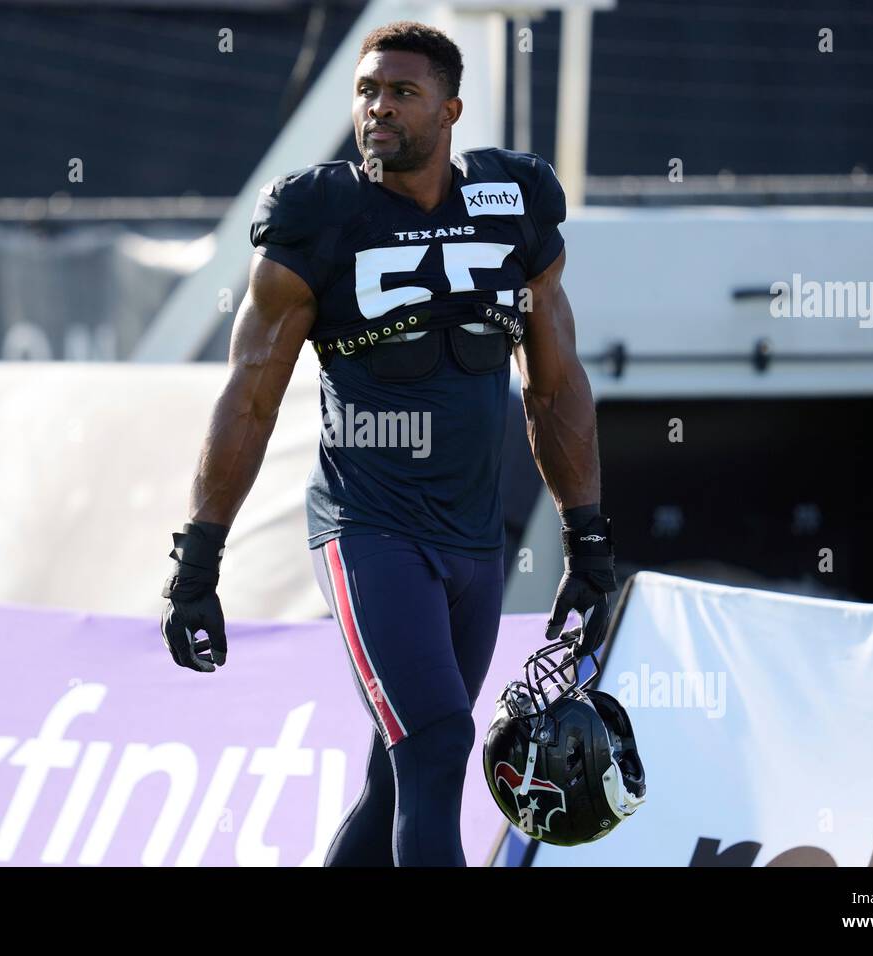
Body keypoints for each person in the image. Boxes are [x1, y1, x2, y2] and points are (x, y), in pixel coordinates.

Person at [161, 20, 616, 866]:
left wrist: (588, 540)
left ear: (450, 109)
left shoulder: (513, 204)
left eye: (401, 93)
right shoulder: (319, 217)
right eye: (367, 92)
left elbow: (554, 387)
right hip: (370, 530)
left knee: (401, 775)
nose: (378, 109)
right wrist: (198, 561)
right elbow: (250, 399)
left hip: (475, 543)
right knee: (440, 741)